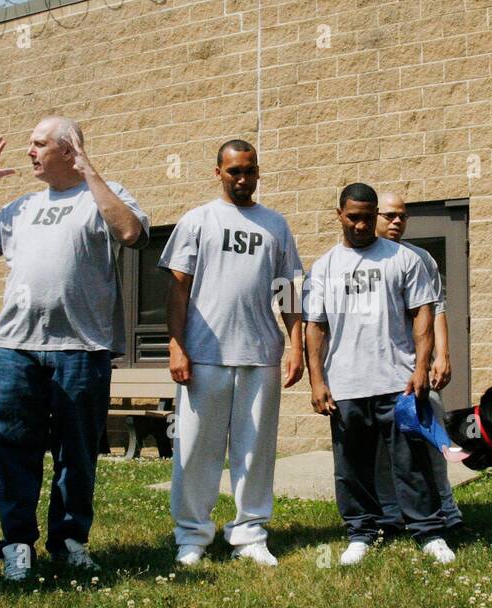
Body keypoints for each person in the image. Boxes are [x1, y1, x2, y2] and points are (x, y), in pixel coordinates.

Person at [0, 117, 149, 581]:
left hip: (80, 350)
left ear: (68, 151)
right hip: (13, 350)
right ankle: (17, 545)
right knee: (14, 450)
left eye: (39, 144)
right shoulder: (21, 208)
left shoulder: (105, 196)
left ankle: (69, 541)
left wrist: (90, 171)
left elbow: (131, 233)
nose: (29, 151)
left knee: (77, 454)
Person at [160, 139, 304, 567]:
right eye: (234, 171)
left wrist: (295, 343)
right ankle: (192, 536)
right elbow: (177, 288)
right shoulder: (197, 221)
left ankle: (251, 534)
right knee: (196, 451)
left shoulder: (276, 225)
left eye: (250, 170)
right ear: (217, 172)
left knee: (255, 451)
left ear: (258, 172)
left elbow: (289, 290)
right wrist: (176, 345)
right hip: (204, 355)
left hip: (261, 354)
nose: (243, 179)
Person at [303, 183, 453, 566]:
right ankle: (361, 532)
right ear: (339, 215)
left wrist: (421, 366)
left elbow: (423, 312)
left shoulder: (403, 260)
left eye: (368, 217)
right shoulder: (324, 268)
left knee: (412, 463)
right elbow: (315, 327)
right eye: (353, 217)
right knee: (351, 467)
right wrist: (317, 381)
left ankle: (429, 532)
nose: (360, 224)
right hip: (346, 385)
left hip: (398, 382)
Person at [373, 192, 462, 535]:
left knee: (432, 441)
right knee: (382, 450)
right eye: (389, 216)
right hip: (375, 373)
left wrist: (442, 355)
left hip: (415, 369)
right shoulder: (358, 259)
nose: (397, 222)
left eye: (402, 216)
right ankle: (391, 515)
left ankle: (447, 511)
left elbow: (436, 307)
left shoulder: (421, 258)